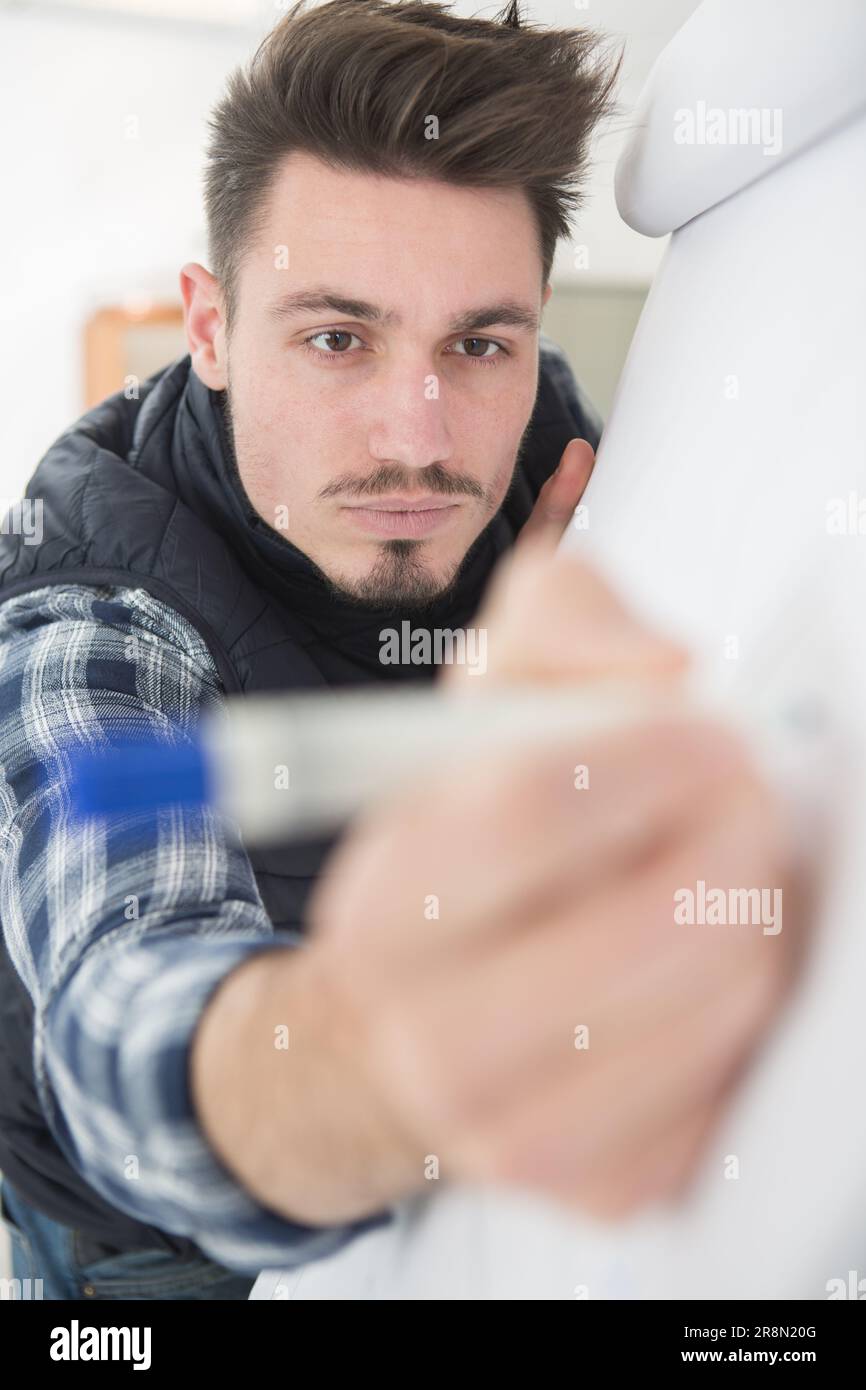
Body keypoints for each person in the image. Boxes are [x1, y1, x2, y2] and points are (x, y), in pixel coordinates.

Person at [0, 0, 798, 1301]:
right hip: (152, 1248)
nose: (417, 437)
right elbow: (118, 994)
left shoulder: (552, 457)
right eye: (336, 337)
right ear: (207, 326)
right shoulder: (91, 595)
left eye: (479, 343)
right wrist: (384, 1062)